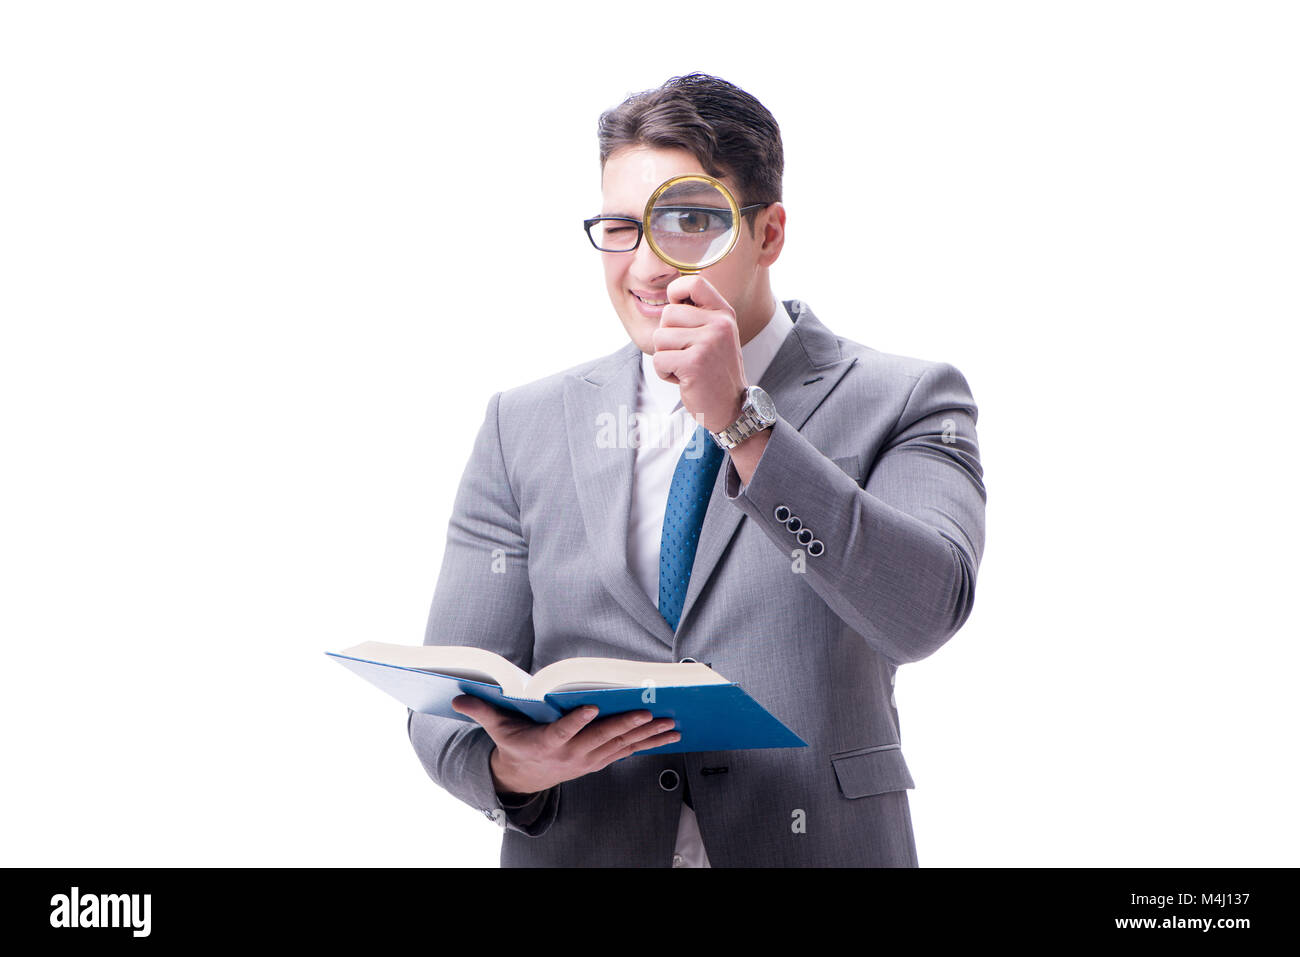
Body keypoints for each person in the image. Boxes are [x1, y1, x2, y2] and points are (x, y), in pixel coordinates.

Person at [406, 73, 986, 866]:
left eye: (684, 220)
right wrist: (515, 768)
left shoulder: (908, 398)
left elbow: (923, 610)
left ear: (768, 235)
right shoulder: (523, 425)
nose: (644, 264)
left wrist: (742, 423)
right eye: (619, 226)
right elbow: (446, 704)